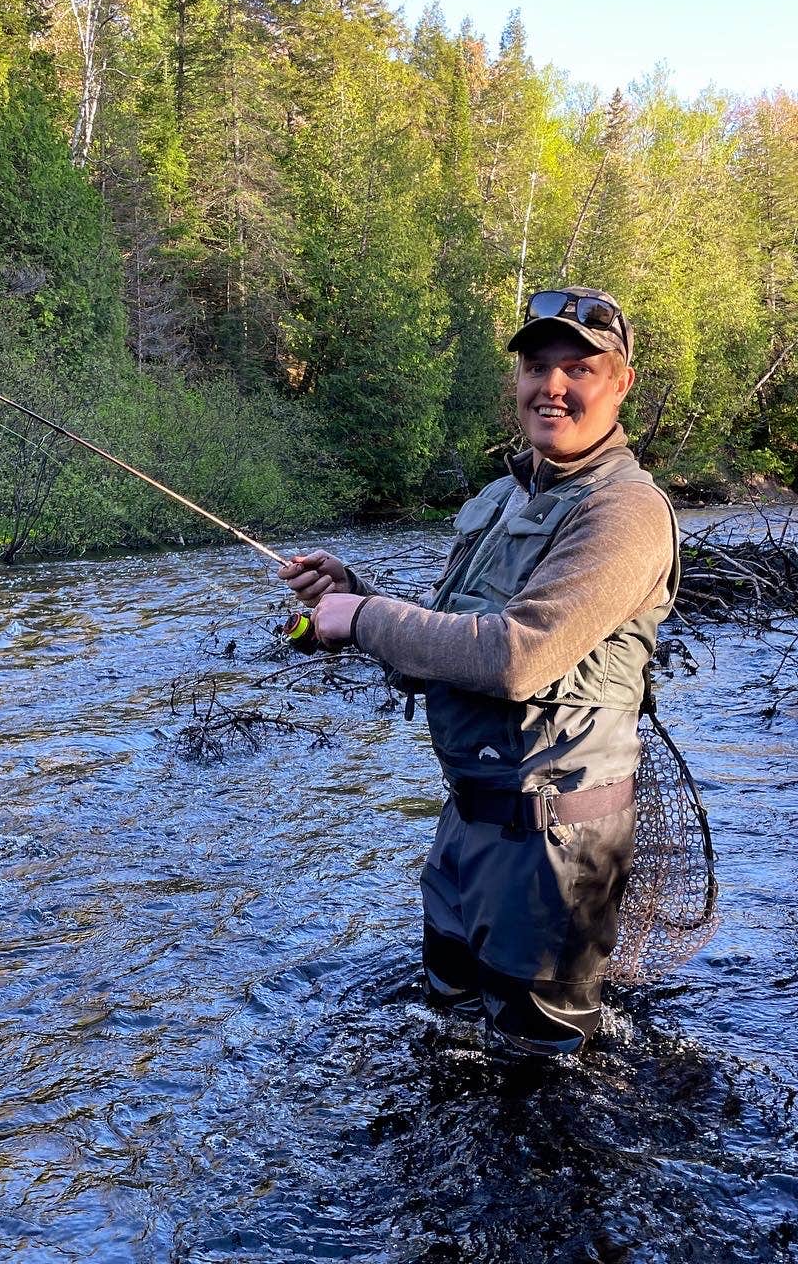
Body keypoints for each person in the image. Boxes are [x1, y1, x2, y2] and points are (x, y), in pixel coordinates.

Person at [279, 286, 679, 1056]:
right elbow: (449, 649)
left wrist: (362, 619)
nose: (551, 386)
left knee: (540, 1077)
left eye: (578, 369)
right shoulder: (503, 498)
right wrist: (352, 594)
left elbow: (516, 658)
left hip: (555, 850)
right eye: (535, 367)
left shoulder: (625, 511)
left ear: (621, 383)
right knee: (449, 1038)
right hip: (469, 826)